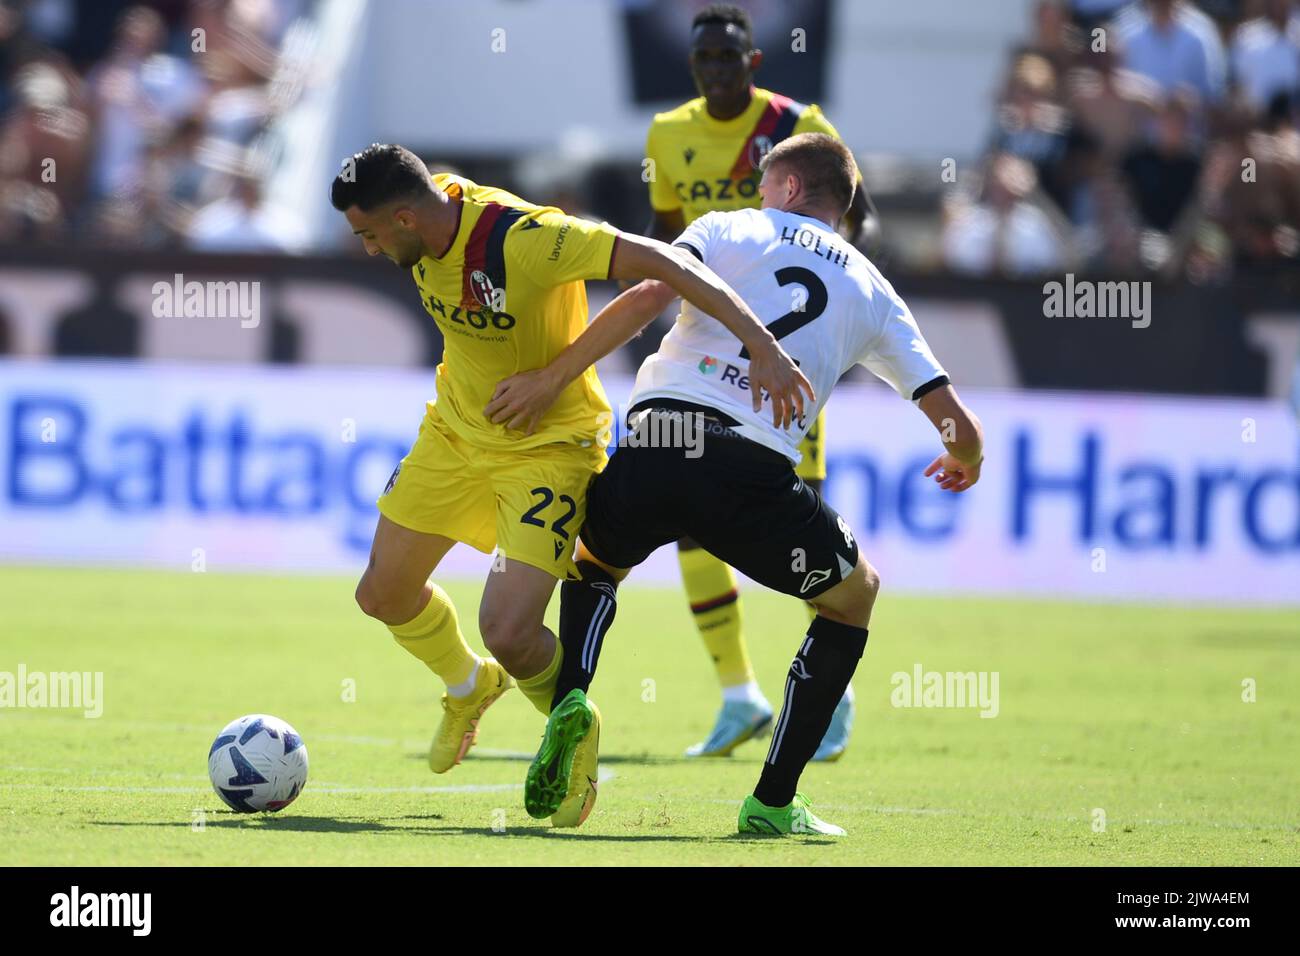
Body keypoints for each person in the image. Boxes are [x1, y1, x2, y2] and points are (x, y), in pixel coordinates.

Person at [488, 133, 984, 834]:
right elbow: (951, 418)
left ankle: (571, 698)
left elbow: (649, 294)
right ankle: (773, 803)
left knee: (598, 561)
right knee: (852, 598)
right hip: (745, 467)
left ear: (786, 188)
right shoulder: (873, 288)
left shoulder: (728, 226)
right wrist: (971, 458)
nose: (758, 195)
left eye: (764, 185)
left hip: (656, 436)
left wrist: (551, 378)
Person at [330, 144, 809, 827]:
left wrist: (762, 345)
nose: (370, 250)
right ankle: (468, 685)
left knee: (510, 630)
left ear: (404, 219)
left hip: (549, 446)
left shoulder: (527, 238)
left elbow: (669, 264)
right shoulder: (428, 207)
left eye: (370, 235)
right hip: (456, 432)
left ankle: (573, 738)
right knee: (381, 594)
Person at [640, 2, 874, 760]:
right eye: (703, 57)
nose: (715, 67)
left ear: (753, 61)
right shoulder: (668, 135)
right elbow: (666, 242)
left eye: (728, 56)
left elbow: (853, 215)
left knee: (794, 515)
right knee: (685, 515)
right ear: (693, 64)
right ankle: (739, 694)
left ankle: (828, 689)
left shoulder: (797, 123)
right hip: (704, 355)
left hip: (785, 358)